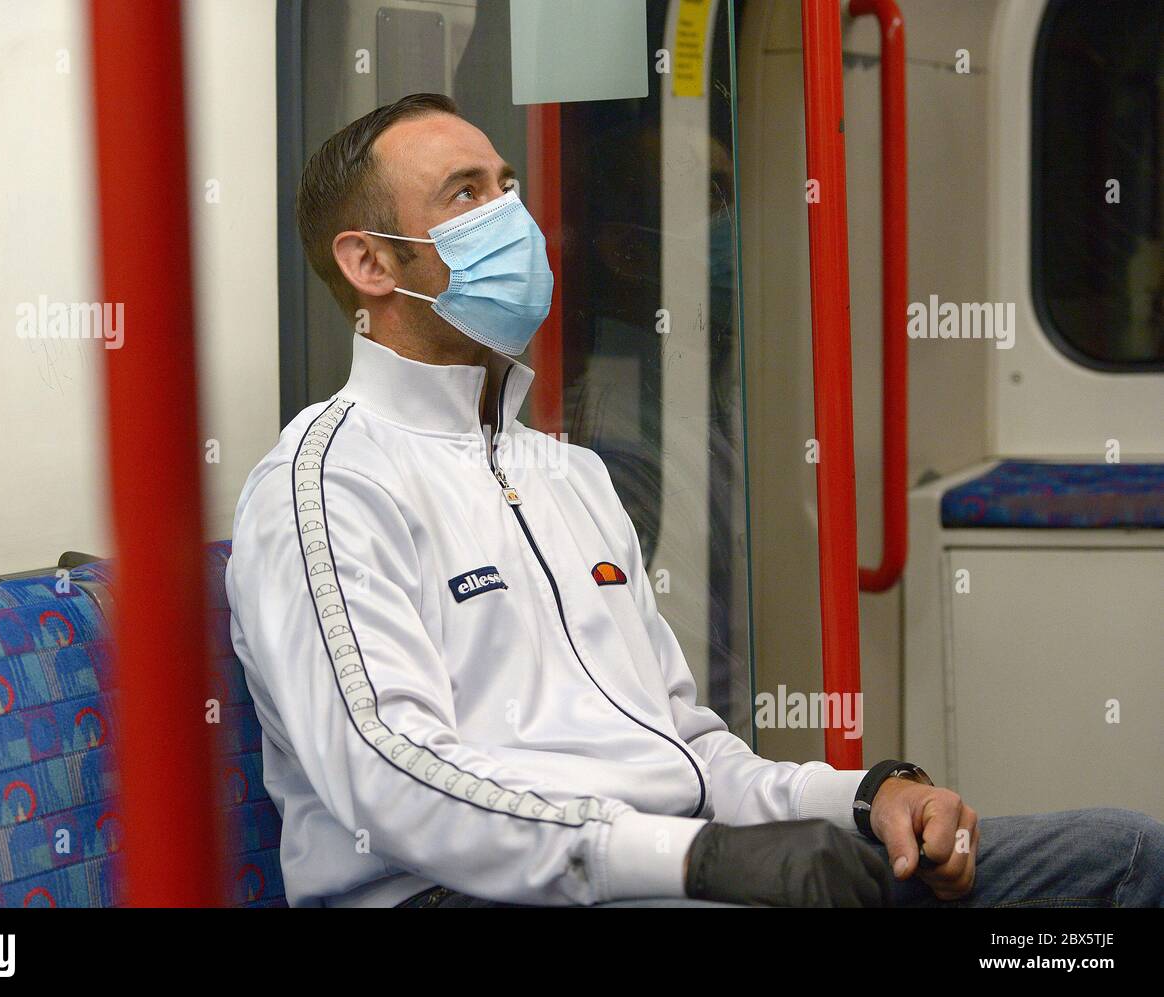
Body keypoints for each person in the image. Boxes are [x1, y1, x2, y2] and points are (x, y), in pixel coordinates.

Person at [225, 93, 1164, 908]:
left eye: (508, 186)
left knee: (1119, 866)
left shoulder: (567, 474)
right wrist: (699, 857)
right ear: (370, 264)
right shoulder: (328, 484)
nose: (511, 214)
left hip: (658, 868)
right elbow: (397, 780)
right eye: (466, 193)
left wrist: (861, 795)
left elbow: (688, 753)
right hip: (468, 893)